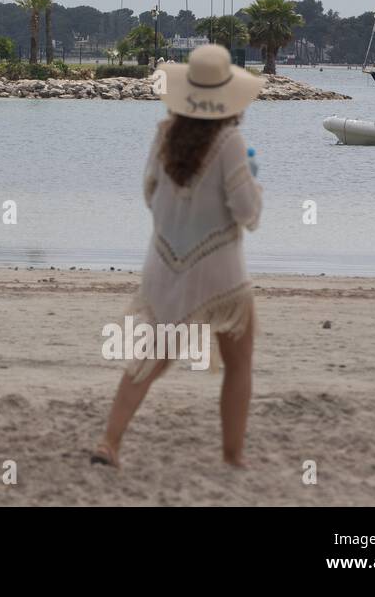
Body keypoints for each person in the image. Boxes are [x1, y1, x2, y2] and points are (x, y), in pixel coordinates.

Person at [93, 43, 264, 469]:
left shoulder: (164, 134)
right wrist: (255, 183)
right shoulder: (230, 142)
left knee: (149, 359)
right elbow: (247, 213)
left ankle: (109, 443)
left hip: (165, 265)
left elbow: (150, 194)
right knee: (238, 364)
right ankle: (233, 456)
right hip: (219, 270)